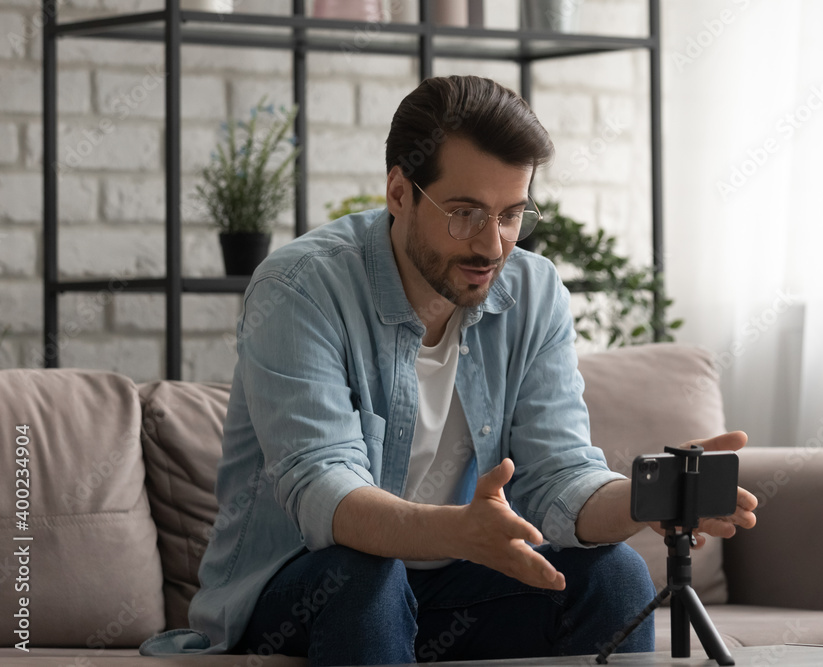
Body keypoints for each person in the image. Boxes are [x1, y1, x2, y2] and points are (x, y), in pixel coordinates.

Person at [139, 75, 757, 665]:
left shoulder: (534, 293)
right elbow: (324, 491)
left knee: (612, 574)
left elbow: (558, 477)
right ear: (400, 193)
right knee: (365, 574)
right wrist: (457, 532)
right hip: (303, 587)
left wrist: (650, 498)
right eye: (465, 212)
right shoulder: (301, 287)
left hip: (449, 592)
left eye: (512, 214)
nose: (492, 245)